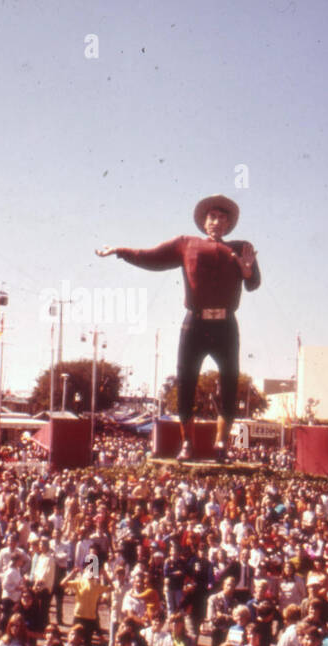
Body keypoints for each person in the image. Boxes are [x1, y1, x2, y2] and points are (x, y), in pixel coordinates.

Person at [97, 194, 260, 461]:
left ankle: (221, 444)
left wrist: (248, 272)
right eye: (212, 217)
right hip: (194, 323)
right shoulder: (186, 244)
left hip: (226, 325)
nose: (217, 221)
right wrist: (120, 251)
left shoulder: (242, 247)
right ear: (204, 222)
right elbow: (151, 257)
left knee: (230, 383)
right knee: (186, 382)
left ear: (229, 223)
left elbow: (254, 284)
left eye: (222, 217)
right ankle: (188, 443)